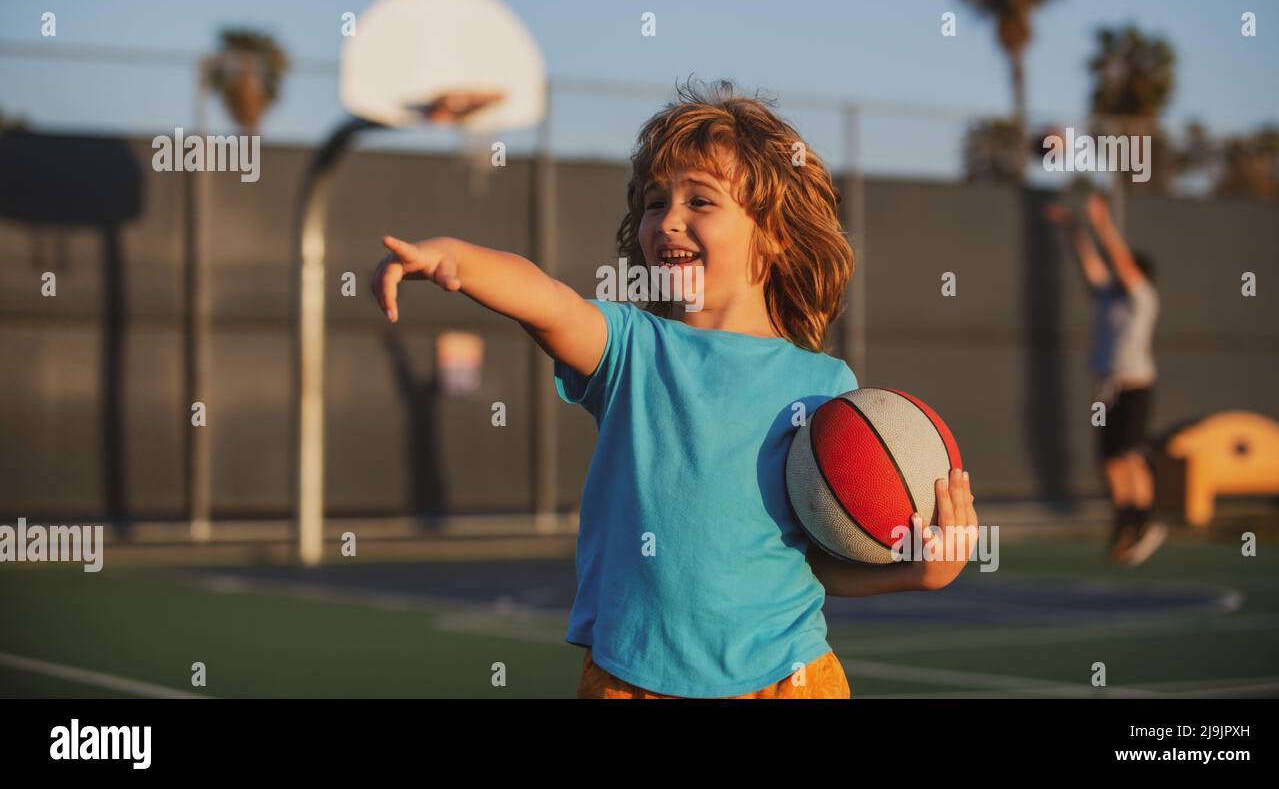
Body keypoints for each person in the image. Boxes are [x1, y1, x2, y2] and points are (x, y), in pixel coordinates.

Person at [370, 79, 979, 698]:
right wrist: (457, 261)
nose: (669, 222)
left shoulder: (825, 388)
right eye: (655, 203)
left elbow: (815, 558)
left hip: (787, 679)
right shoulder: (631, 347)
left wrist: (914, 572)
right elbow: (547, 301)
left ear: (774, 234)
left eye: (701, 202)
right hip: (633, 679)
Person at [1044, 192, 1166, 566]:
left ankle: (1143, 523)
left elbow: (1121, 263)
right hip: (1106, 388)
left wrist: (1103, 224)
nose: (1115, 273)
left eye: (1123, 270)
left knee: (1127, 458)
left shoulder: (1142, 296)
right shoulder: (1108, 297)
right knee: (1108, 463)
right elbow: (1091, 266)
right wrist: (1074, 230)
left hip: (1134, 386)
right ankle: (1126, 523)